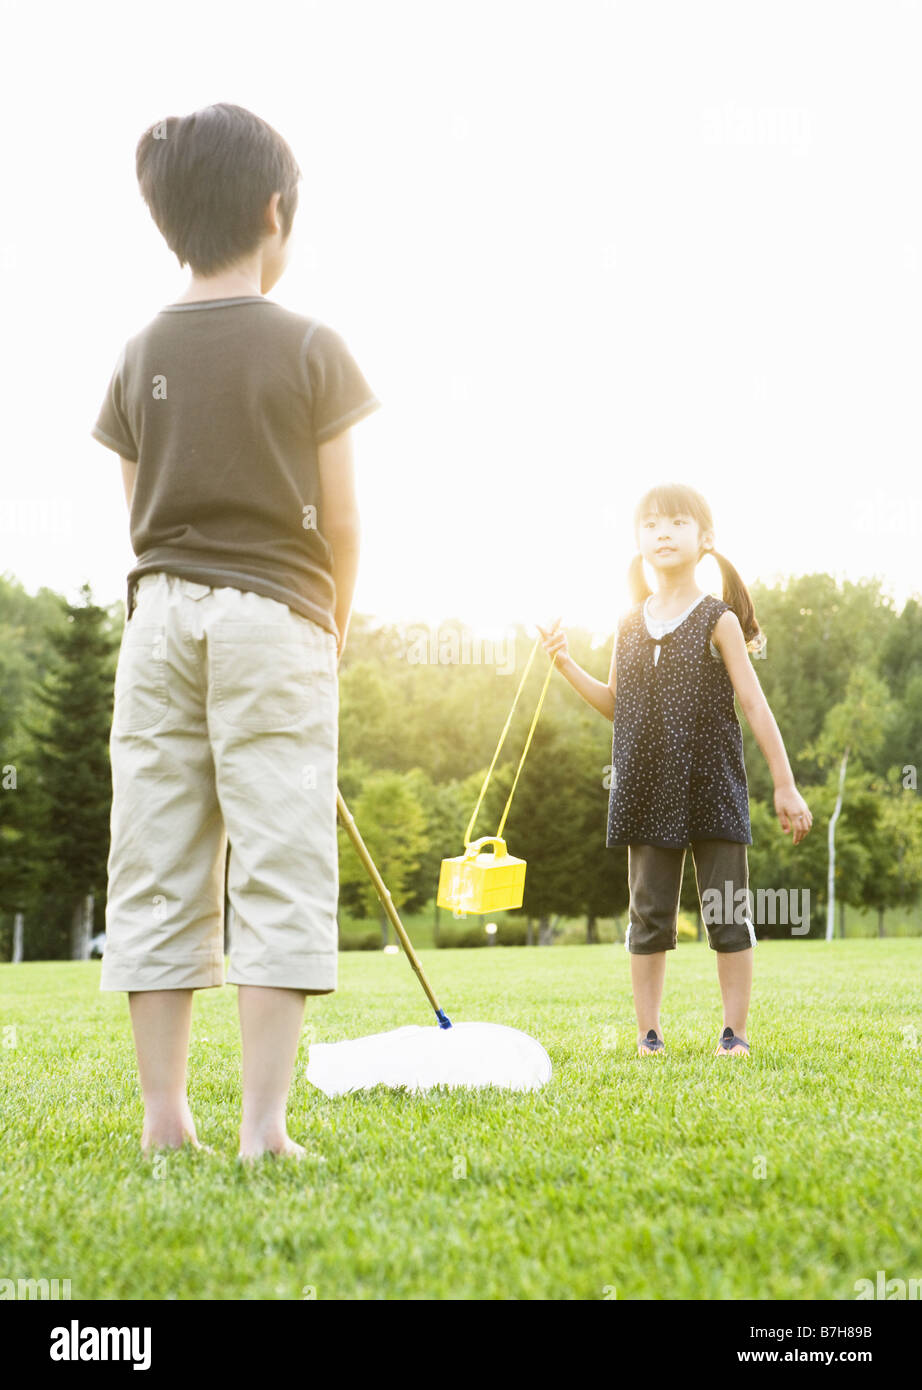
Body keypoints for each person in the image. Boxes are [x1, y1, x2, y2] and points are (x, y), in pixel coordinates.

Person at [91, 103, 381, 1158]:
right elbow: (341, 519)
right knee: (278, 853)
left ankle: (164, 1118)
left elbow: (139, 515)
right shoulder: (311, 344)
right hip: (276, 616)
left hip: (157, 619)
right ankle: (263, 1126)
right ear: (274, 213)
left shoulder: (136, 353)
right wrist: (331, 622)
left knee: (158, 856)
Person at [538, 482, 812, 1058]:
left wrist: (784, 785)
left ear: (704, 539)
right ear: (638, 541)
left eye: (677, 523)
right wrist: (564, 663)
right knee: (649, 917)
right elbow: (617, 702)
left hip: (713, 787)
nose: (663, 533)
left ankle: (733, 1034)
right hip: (644, 789)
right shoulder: (628, 623)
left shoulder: (719, 619)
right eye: (652, 525)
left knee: (727, 913)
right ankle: (649, 1035)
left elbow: (755, 704)